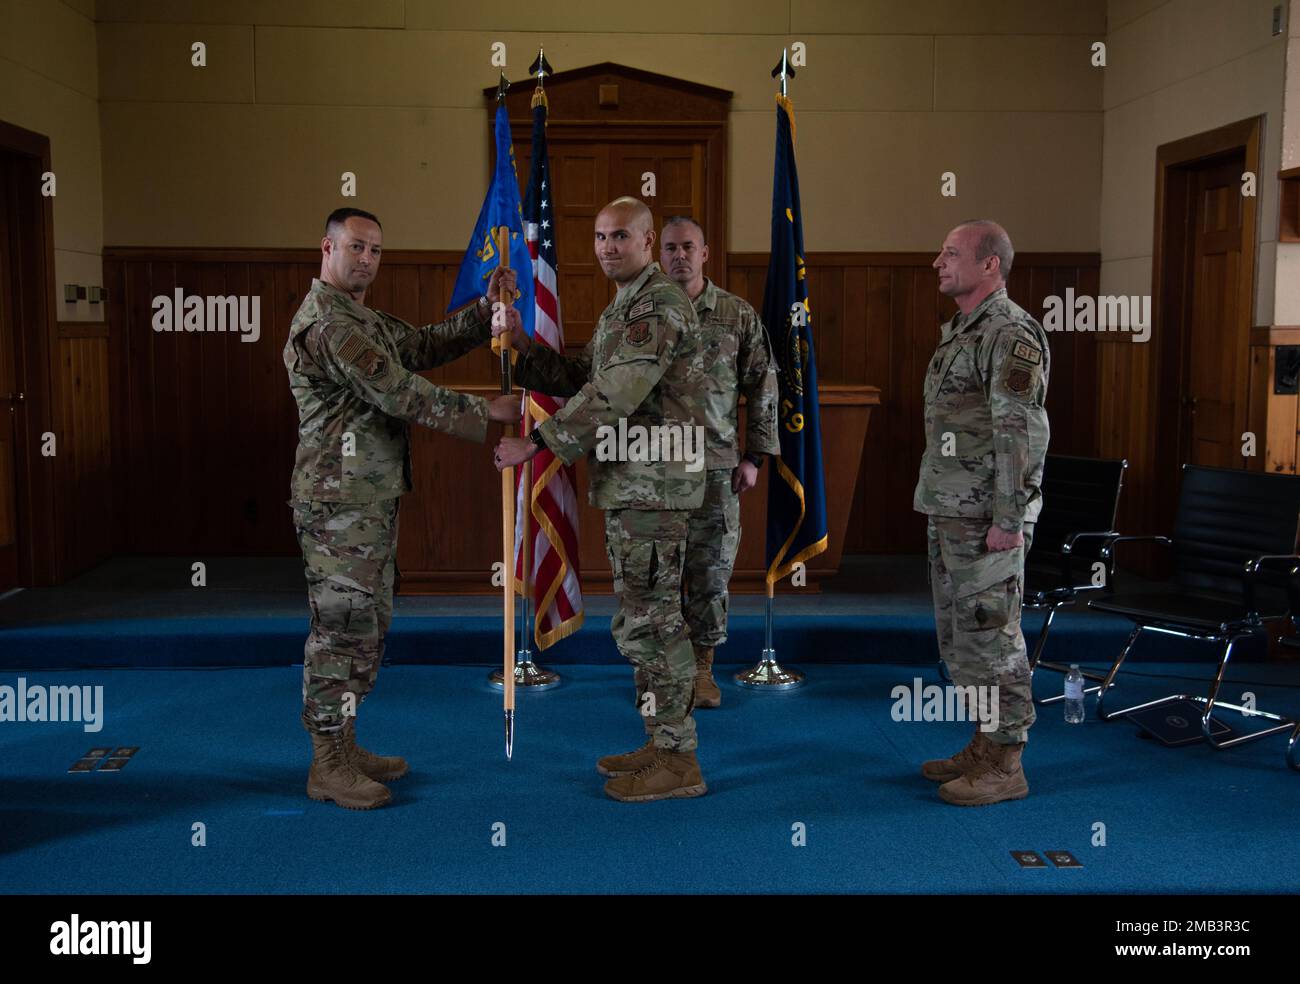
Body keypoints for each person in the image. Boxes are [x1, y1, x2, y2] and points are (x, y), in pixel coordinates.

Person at [285, 206, 521, 810]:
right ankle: (326, 762)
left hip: (365, 496)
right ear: (327, 247)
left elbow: (417, 346)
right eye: (356, 247)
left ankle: (345, 741)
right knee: (340, 630)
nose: (366, 259)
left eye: (375, 251)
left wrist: (479, 315)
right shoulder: (329, 323)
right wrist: (482, 413)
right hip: (338, 502)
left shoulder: (357, 315)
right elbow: (395, 387)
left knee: (365, 625)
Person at [493, 196, 708, 802]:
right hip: (634, 485)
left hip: (656, 487)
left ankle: (679, 759)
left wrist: (536, 443)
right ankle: (659, 739)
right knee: (642, 617)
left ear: (648, 243)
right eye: (599, 237)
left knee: (656, 622)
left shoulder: (658, 306)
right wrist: (523, 349)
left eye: (621, 237)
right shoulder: (624, 307)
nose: (608, 247)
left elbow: (615, 393)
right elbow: (584, 376)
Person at [915, 219, 1050, 807]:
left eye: (951, 253)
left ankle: (1007, 761)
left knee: (994, 637)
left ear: (989, 263)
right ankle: (984, 743)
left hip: (987, 519)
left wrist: (1008, 518)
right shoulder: (964, 329)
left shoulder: (1011, 332)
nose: (938, 262)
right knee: (961, 639)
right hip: (952, 509)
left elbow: (1018, 432)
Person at [658, 216, 778, 707]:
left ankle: (703, 671)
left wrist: (755, 456)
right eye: (669, 248)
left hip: (716, 469)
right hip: (653, 469)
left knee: (709, 575)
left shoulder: (736, 314)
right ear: (657, 254)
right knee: (657, 576)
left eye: (688, 246)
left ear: (706, 252)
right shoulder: (640, 313)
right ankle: (664, 675)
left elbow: (763, 385)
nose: (679, 256)